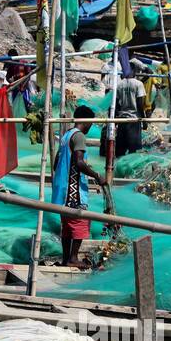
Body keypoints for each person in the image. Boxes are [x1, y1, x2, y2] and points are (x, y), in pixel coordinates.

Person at [54, 105, 105, 267]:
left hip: (62, 189)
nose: (91, 127)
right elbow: (79, 162)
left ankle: (66, 258)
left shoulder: (66, 136)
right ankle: (73, 258)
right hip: (73, 189)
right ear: (87, 121)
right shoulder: (79, 136)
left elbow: (56, 163)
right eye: (91, 123)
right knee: (80, 223)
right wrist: (96, 175)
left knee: (67, 226)